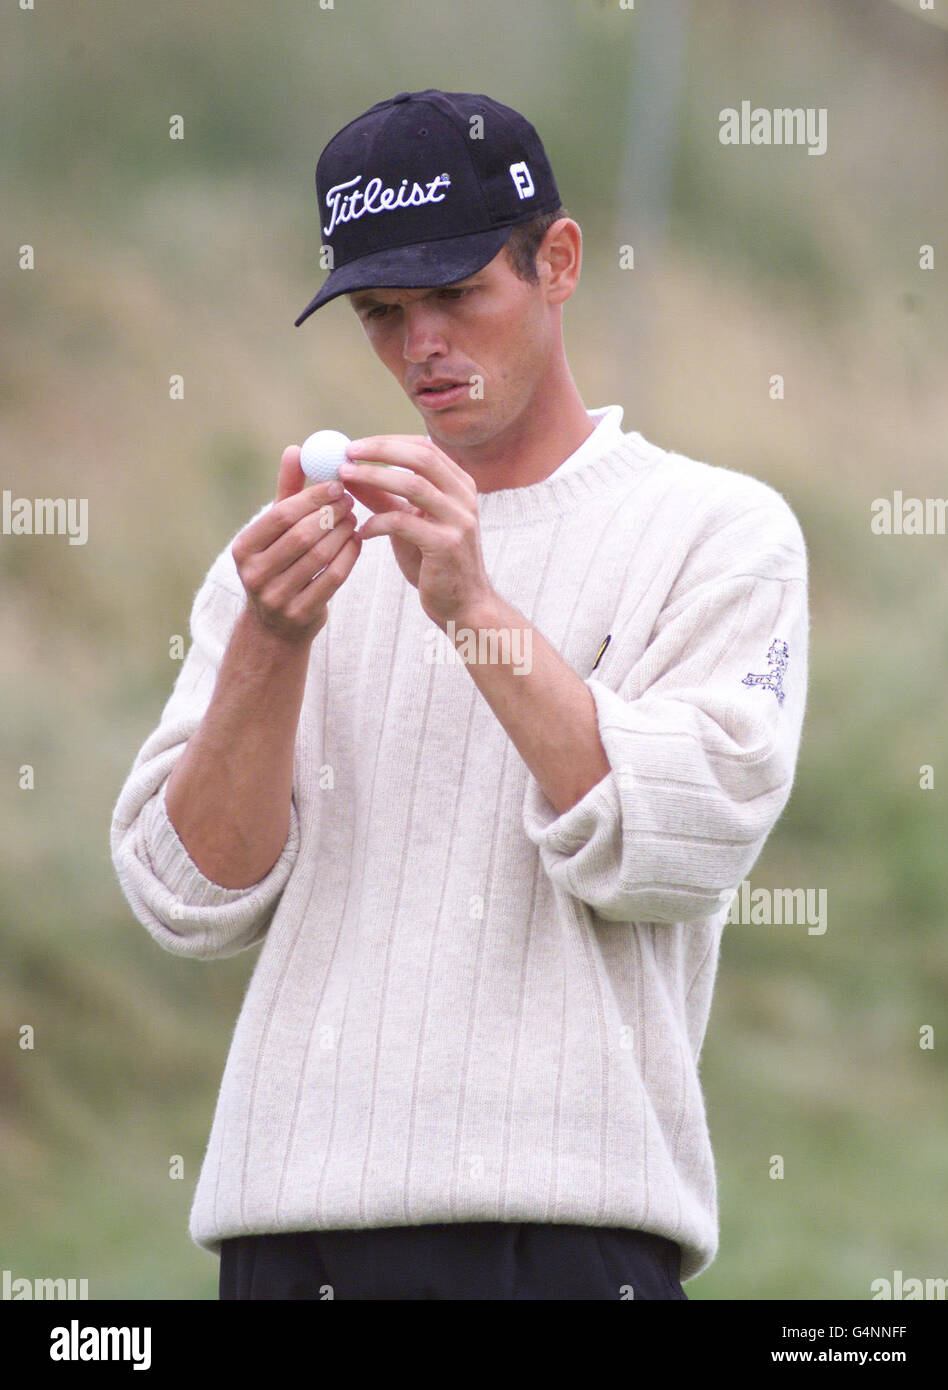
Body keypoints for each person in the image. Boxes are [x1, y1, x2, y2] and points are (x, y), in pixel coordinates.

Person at [110, 88, 809, 1301]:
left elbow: (679, 847)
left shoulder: (716, 531)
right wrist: (271, 642)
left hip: (563, 1232)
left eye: (454, 295)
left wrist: (471, 611)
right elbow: (187, 898)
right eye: (381, 313)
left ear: (558, 261)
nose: (417, 343)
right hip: (288, 1231)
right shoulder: (287, 558)